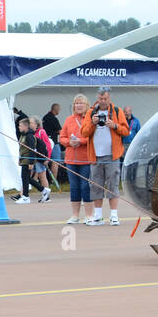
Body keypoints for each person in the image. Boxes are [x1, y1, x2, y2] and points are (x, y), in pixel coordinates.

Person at [85, 87, 128, 226]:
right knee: (96, 185)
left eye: (105, 99)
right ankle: (97, 216)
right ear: (97, 98)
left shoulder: (117, 111)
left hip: (112, 155)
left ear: (110, 98)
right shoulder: (91, 112)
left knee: (112, 184)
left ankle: (114, 215)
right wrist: (93, 122)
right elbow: (84, 132)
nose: (103, 101)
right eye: (100, 99)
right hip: (95, 156)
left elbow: (126, 131)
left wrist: (114, 125)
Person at [59, 94, 96, 224]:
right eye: (76, 103)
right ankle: (75, 215)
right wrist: (69, 142)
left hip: (86, 159)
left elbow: (92, 137)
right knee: (74, 187)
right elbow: (62, 137)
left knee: (85, 186)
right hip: (70, 159)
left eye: (81, 103)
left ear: (87, 106)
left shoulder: (91, 119)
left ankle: (89, 215)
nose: (78, 106)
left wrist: (80, 141)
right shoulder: (69, 119)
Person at [43, 103, 64, 187]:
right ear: (56, 110)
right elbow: (60, 131)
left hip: (45, 143)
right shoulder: (54, 119)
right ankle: (53, 181)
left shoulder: (45, 117)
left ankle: (38, 180)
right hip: (54, 143)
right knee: (56, 162)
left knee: (43, 162)